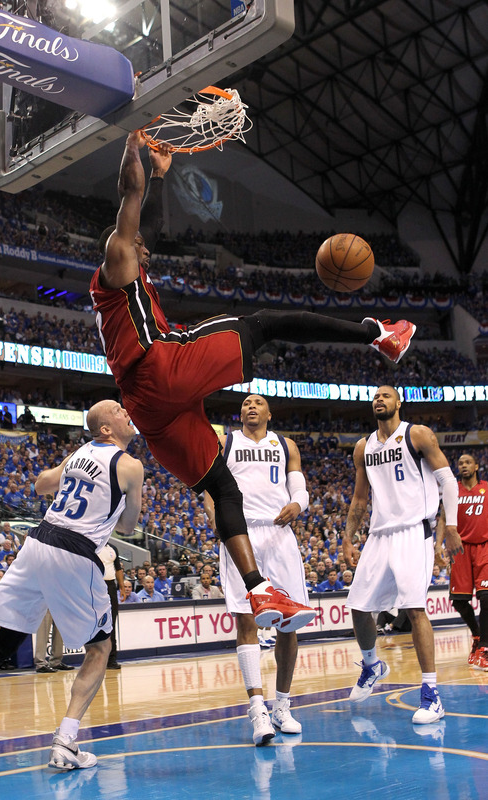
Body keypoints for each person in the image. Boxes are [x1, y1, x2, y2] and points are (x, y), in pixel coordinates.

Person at [90, 132, 416, 632]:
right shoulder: (117, 264)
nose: (144, 245)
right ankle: (377, 336)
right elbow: (129, 203)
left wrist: (159, 174)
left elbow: (146, 220)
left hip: (148, 407)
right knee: (263, 325)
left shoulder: (133, 270)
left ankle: (259, 590)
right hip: (160, 365)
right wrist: (132, 151)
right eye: (137, 243)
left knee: (222, 485)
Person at [0, 400, 143, 770]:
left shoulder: (78, 453)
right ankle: (66, 742)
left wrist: (75, 477)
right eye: (119, 411)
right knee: (100, 649)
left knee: (5, 641)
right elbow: (125, 527)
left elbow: (41, 484)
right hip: (74, 550)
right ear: (106, 428)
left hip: (38, 543)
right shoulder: (131, 465)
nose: (127, 413)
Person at [342, 385, 463, 724]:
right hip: (379, 534)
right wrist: (348, 539)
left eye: (386, 396)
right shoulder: (363, 447)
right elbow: (360, 499)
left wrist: (450, 526)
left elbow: (448, 481)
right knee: (358, 605)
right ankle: (372, 665)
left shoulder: (418, 435)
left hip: (414, 529)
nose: (379, 400)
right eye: (375, 397)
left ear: (398, 403)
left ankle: (431, 694)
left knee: (414, 608)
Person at [204, 394, 313, 746]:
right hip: (241, 532)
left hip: (279, 533)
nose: (251, 405)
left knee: (289, 620)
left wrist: (298, 503)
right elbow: (208, 485)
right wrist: (214, 519)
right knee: (246, 619)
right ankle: (257, 710)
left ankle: (282, 704)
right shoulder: (226, 441)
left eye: (258, 402)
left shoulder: (286, 444)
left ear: (269, 412)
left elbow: (299, 487)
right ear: (241, 413)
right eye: (246, 402)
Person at [436, 452, 488, 670]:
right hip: (459, 549)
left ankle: (485, 648)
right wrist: (437, 545)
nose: (464, 466)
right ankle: (477, 636)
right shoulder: (452, 490)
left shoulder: (486, 488)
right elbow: (443, 518)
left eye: (468, 462)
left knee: (486, 597)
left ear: (476, 466)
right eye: (460, 463)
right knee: (458, 600)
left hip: (484, 547)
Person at [97, 541, 125, 669]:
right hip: (95, 586)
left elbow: (118, 568)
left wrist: (122, 588)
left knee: (112, 622)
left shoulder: (112, 548)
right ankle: (96, 659)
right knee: (96, 624)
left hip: (111, 586)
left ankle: (112, 659)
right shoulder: (92, 547)